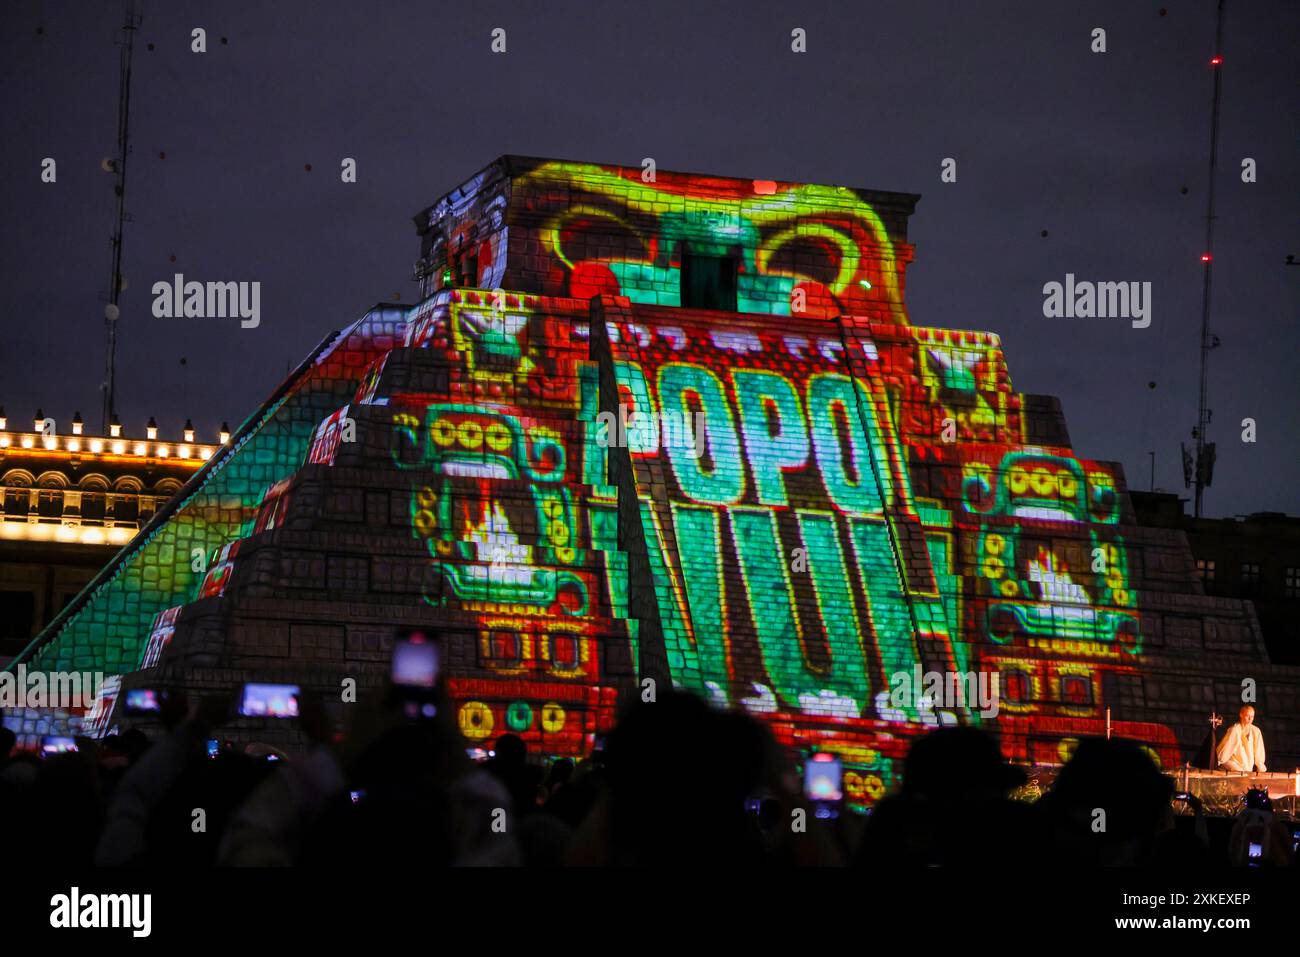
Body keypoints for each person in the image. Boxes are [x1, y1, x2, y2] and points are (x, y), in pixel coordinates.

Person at [1217, 705, 1266, 773]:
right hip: (1234, 762)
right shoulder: (1235, 730)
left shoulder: (1256, 731)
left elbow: (1259, 750)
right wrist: (1218, 761)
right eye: (1247, 716)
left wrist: (1260, 767)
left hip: (1247, 766)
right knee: (1239, 772)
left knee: (1246, 774)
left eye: (1252, 716)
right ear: (1241, 715)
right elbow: (1226, 748)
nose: (1250, 719)